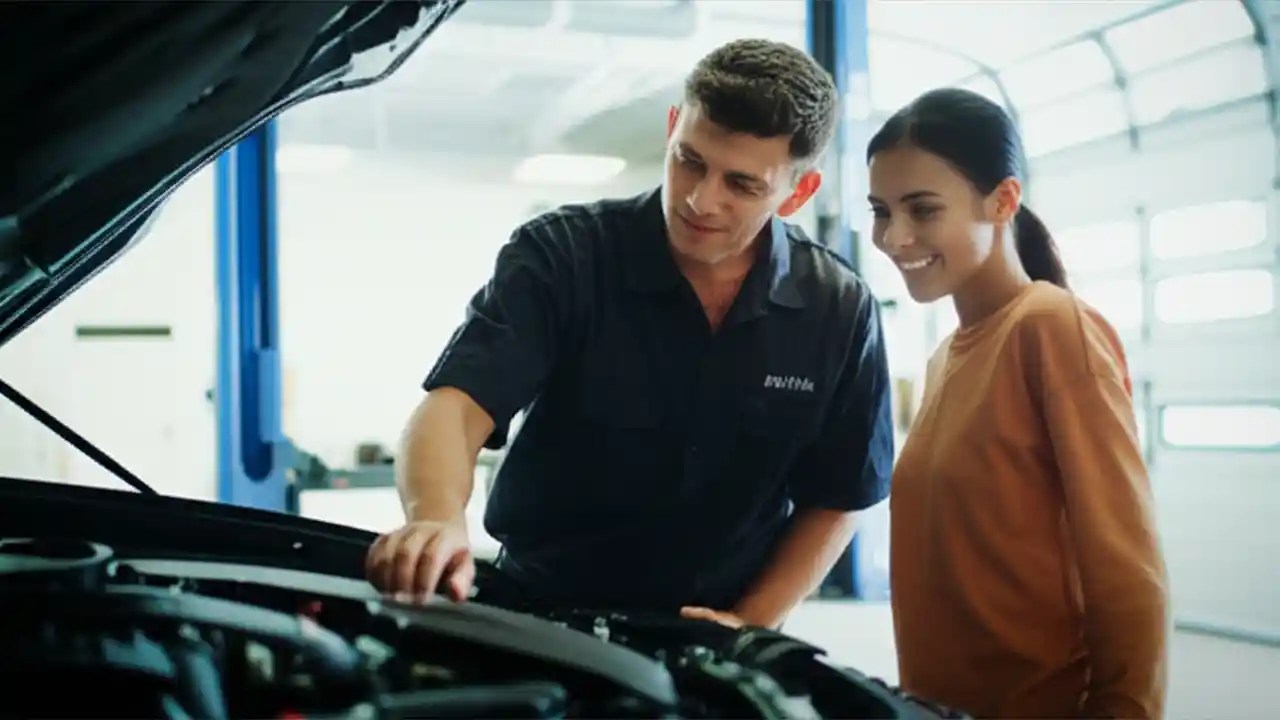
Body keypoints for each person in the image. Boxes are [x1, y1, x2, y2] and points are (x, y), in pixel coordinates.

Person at [363, 38, 895, 629]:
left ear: (797, 192)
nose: (699, 199)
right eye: (689, 159)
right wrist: (437, 519)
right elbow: (456, 408)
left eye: (741, 185)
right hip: (539, 611)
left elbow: (839, 494)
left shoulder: (839, 309)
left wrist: (752, 623)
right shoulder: (562, 256)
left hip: (714, 630)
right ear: (672, 127)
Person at [865, 87, 1170, 719]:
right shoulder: (945, 357)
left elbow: (1126, 568)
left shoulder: (1052, 326)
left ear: (1002, 200)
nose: (894, 238)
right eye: (881, 211)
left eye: (922, 210)